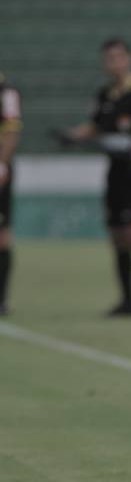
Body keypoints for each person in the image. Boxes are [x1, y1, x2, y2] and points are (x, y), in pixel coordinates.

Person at [58, 38, 131, 317]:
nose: (113, 63)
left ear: (129, 59)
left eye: (118, 57)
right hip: (115, 170)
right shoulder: (105, 95)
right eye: (108, 58)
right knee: (118, 235)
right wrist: (72, 136)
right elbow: (94, 126)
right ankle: (128, 301)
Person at [0, 73, 22, 315]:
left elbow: (12, 131)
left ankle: (1, 298)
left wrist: (2, 164)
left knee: (2, 236)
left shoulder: (7, 93)